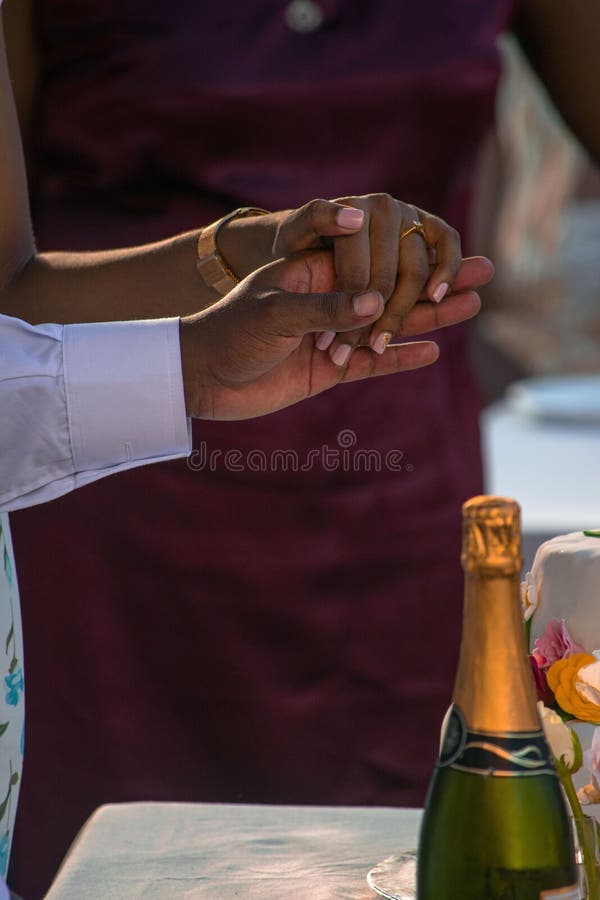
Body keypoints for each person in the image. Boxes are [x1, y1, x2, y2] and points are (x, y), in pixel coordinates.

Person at [6, 1, 599, 896]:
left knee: (424, 850)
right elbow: (8, 286)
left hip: (399, 485)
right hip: (113, 488)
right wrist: (215, 298)